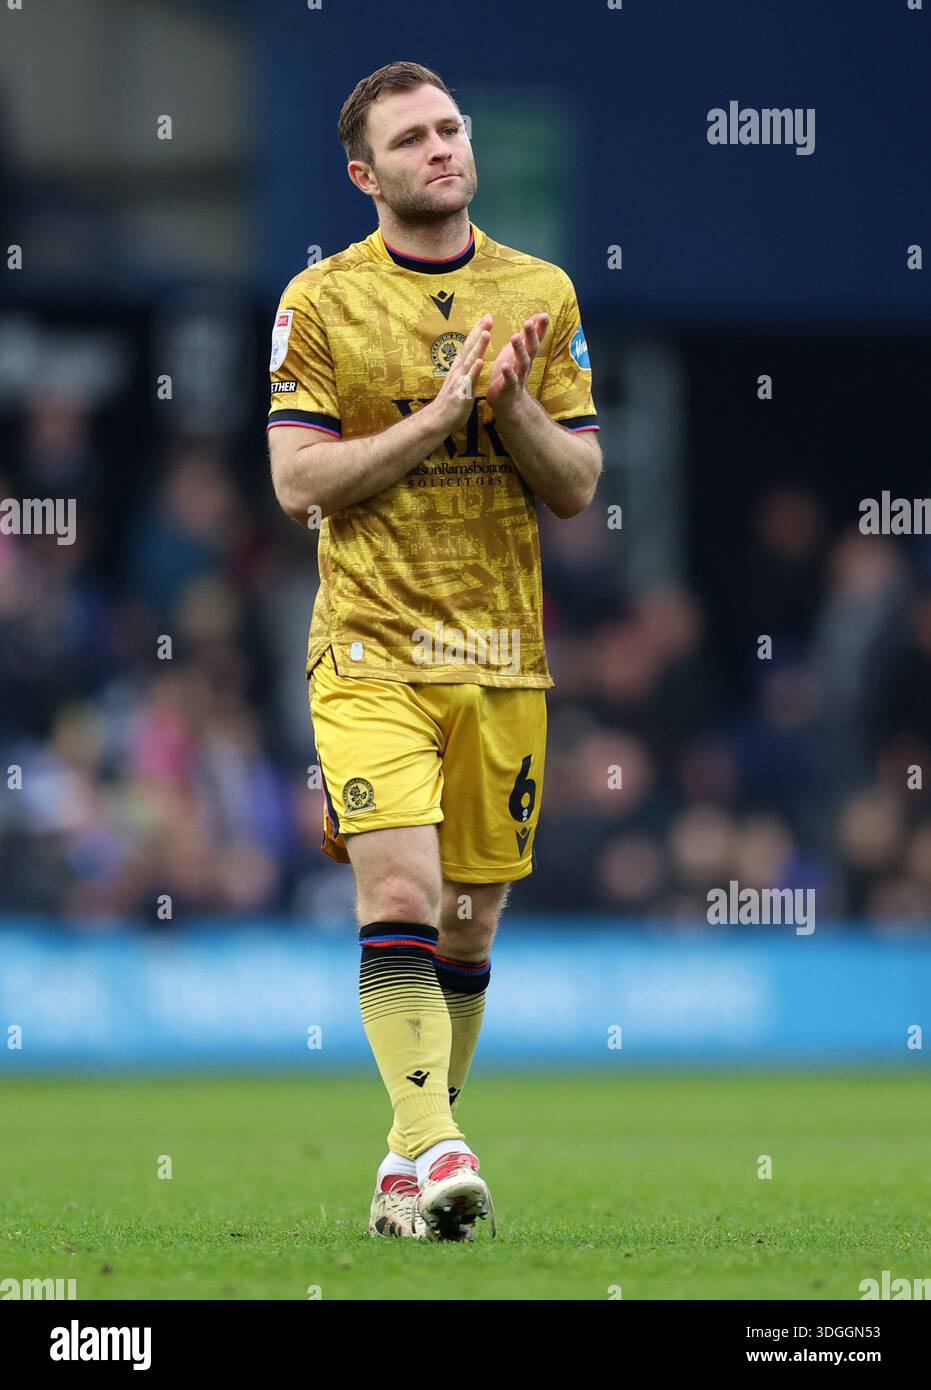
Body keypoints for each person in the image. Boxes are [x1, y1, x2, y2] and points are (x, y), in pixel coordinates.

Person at [267, 60, 601, 1241]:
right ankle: (444, 1142)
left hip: (504, 655)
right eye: (411, 139)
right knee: (400, 894)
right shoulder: (322, 301)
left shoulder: (540, 289)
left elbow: (576, 486)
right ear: (365, 174)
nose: (442, 149)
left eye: (451, 128)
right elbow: (296, 480)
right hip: (369, 649)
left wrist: (506, 405)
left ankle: (405, 1159)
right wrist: (432, 415)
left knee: (466, 926)